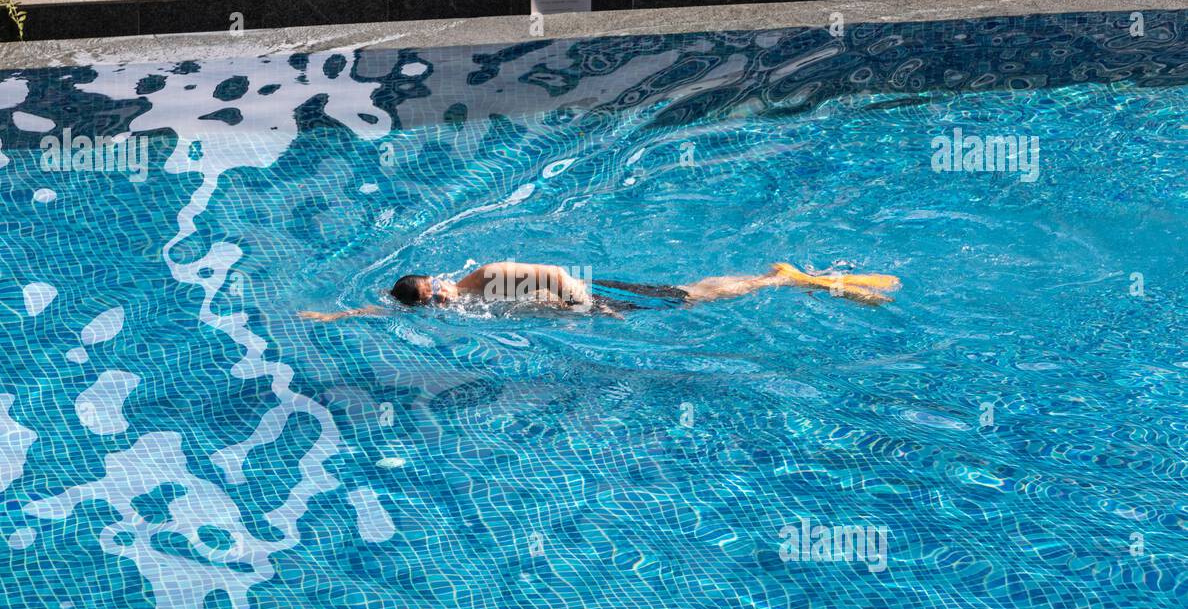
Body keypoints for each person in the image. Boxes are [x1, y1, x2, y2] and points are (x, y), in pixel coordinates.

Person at [297, 261, 899, 322]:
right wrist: (337, 315)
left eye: (438, 290)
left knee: (687, 300)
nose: (445, 297)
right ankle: (778, 277)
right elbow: (383, 312)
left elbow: (549, 272)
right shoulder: (463, 300)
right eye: (435, 300)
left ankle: (785, 280)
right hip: (584, 299)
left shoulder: (479, 279)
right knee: (681, 294)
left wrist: (578, 306)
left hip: (584, 295)